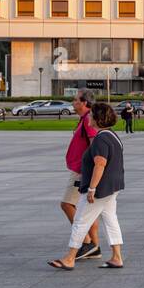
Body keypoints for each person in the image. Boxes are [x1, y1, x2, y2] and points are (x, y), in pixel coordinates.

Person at [50, 102, 126, 270]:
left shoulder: (100, 139)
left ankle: (70, 258)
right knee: (110, 219)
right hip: (112, 187)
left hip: (100, 189)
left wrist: (92, 188)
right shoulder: (112, 136)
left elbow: (100, 164)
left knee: (81, 221)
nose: (89, 118)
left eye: (92, 115)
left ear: (98, 119)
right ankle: (117, 256)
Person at [60, 90, 102, 261]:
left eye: (76, 99)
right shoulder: (84, 119)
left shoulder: (88, 120)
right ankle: (95, 247)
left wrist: (91, 169)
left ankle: (86, 242)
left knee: (67, 204)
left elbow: (94, 144)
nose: (73, 101)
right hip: (81, 169)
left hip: (82, 171)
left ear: (84, 102)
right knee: (88, 209)